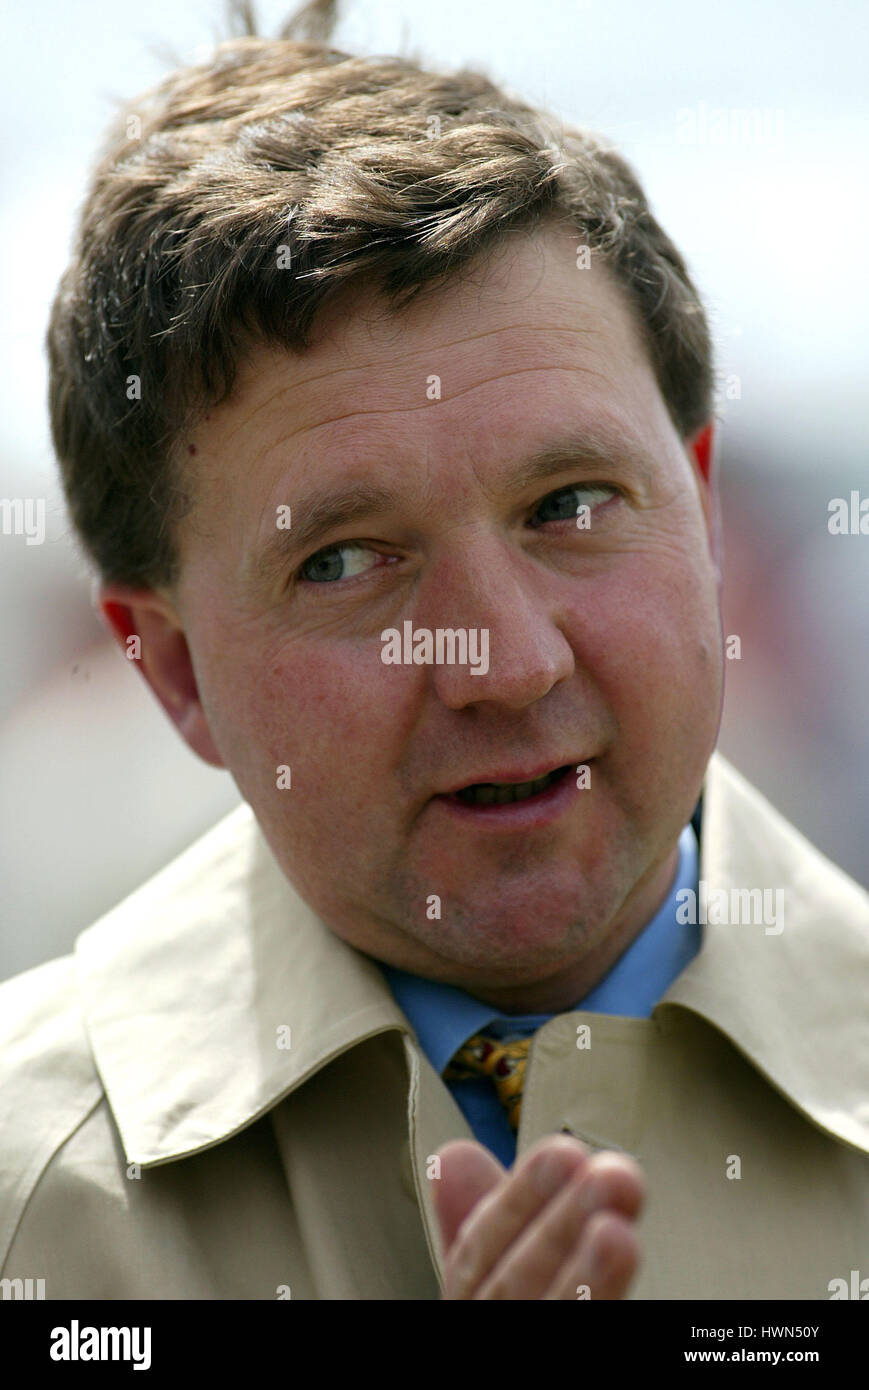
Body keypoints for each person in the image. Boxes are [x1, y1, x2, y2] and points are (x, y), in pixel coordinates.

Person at [1, 0, 867, 1302]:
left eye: (569, 506)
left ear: (698, 508)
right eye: (345, 561)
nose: (507, 661)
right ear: (174, 672)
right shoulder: (36, 1205)